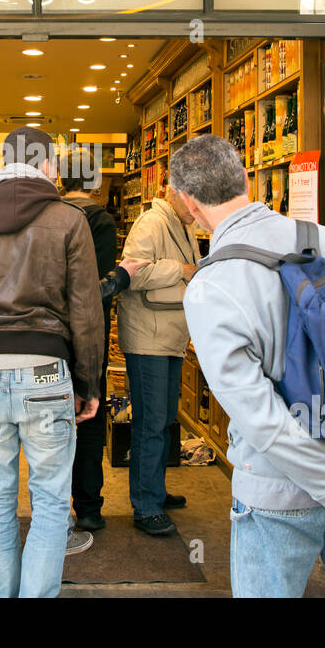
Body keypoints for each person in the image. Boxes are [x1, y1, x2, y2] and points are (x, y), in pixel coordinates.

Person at [168, 134, 325, 597]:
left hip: (277, 489)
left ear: (188, 202)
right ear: (245, 177)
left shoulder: (210, 287)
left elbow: (263, 422)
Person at [0, 127, 106, 598]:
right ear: (47, 166)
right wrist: (89, 385)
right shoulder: (69, 220)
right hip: (48, 372)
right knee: (50, 504)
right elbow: (86, 311)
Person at [115, 183, 201, 536]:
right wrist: (179, 269)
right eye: (191, 197)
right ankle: (145, 506)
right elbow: (132, 274)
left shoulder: (183, 224)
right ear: (171, 190)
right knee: (151, 422)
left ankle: (156, 490)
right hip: (148, 335)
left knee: (164, 419)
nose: (195, 207)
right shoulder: (152, 222)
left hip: (169, 335)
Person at [58, 145, 118, 533]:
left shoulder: (52, 215)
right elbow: (102, 286)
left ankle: (53, 506)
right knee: (90, 420)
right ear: (94, 181)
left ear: (62, 178)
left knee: (53, 421)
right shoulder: (102, 221)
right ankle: (89, 506)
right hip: (90, 335)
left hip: (51, 334)